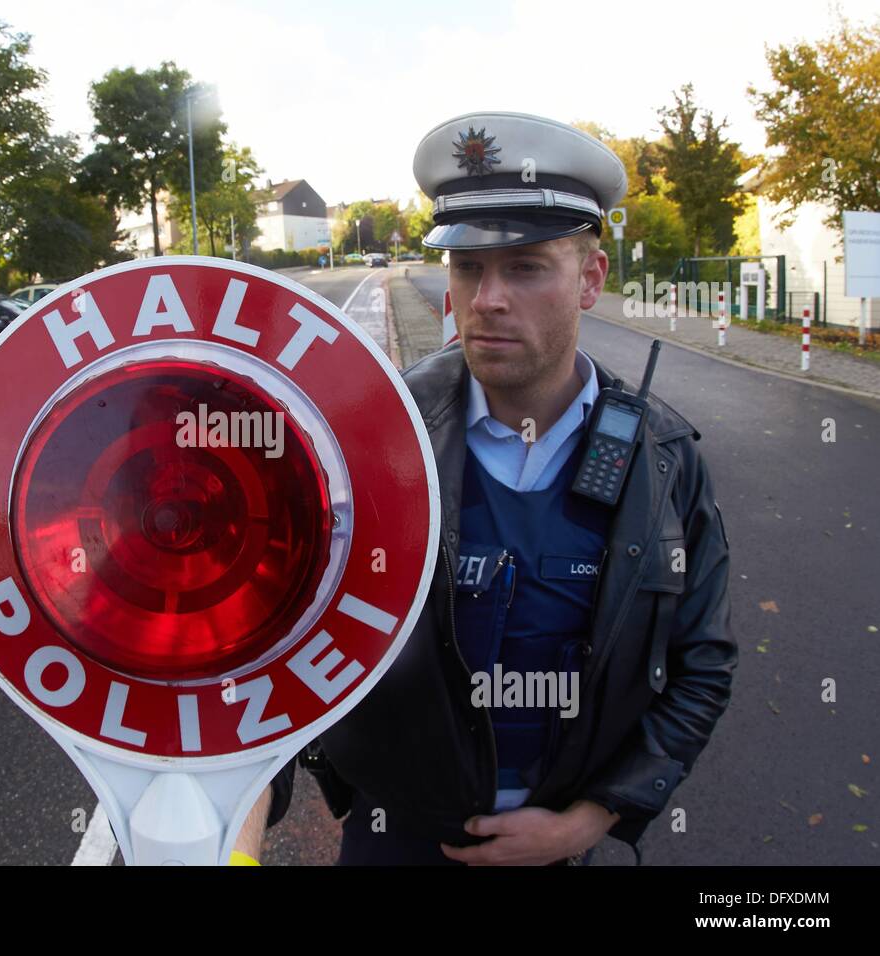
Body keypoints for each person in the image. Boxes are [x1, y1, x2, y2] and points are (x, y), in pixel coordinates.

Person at [233, 111, 737, 866]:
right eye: (468, 267)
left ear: (591, 279)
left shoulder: (663, 459)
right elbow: (286, 636)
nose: (487, 298)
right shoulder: (371, 442)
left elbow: (703, 660)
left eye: (527, 267)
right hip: (396, 838)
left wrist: (590, 820)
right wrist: (237, 815)